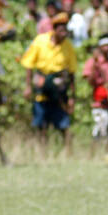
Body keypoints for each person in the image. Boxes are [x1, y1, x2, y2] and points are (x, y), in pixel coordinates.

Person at [19, 12, 79, 151]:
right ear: (54, 29)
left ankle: (68, 154)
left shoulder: (68, 46)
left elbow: (72, 73)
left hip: (59, 91)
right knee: (41, 124)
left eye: (65, 29)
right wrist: (28, 86)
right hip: (42, 87)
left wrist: (72, 97)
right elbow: (28, 64)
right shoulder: (40, 41)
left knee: (63, 124)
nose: (64, 32)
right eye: (61, 29)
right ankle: (42, 154)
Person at [83, 36, 108, 143]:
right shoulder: (93, 61)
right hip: (99, 100)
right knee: (100, 129)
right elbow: (89, 81)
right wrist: (95, 67)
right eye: (105, 46)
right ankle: (93, 152)